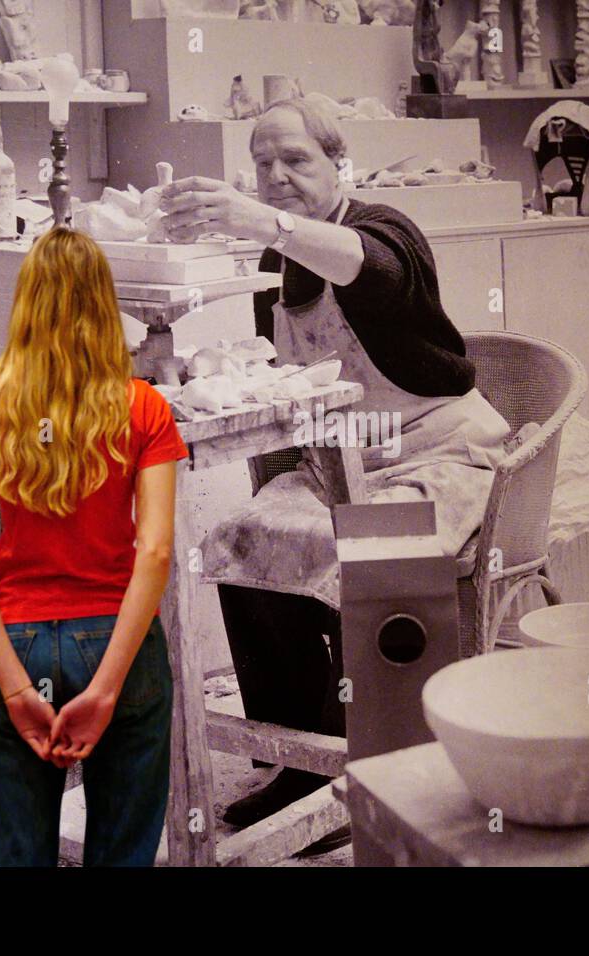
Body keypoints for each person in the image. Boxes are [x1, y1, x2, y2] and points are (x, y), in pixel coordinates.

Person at [160, 98, 512, 850]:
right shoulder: (272, 266)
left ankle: (379, 768)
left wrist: (263, 219)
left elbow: (369, 270)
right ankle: (299, 762)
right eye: (263, 164)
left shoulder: (387, 232)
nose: (277, 176)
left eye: (296, 160)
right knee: (242, 544)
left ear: (336, 161)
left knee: (377, 553)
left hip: (441, 448)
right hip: (343, 459)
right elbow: (294, 379)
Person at [0, 228, 188, 866]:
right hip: (119, 646)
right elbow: (155, 554)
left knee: (15, 854)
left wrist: (20, 691)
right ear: (107, 307)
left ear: (24, 306)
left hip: (14, 640)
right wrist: (105, 690)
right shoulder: (145, 408)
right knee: (123, 849)